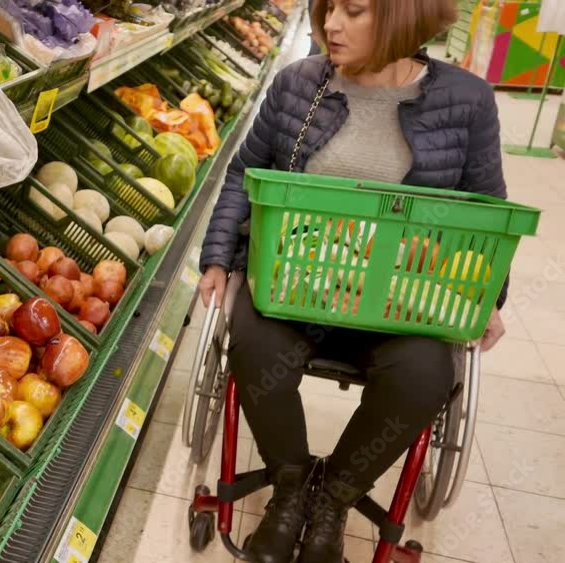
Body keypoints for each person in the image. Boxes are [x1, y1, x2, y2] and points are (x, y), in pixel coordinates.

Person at [196, 1, 509, 562]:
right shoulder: (299, 84)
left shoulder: (466, 101)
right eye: (328, 8)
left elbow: (488, 207)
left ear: (401, 17)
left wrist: (487, 296)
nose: (331, 25)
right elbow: (245, 170)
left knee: (425, 374)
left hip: (401, 301)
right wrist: (218, 256)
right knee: (252, 340)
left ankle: (335, 497)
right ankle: (291, 491)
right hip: (295, 285)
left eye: (354, 10)